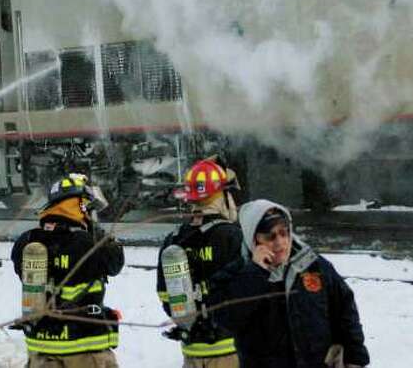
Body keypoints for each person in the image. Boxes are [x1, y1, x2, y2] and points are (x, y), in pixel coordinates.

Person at [208, 199, 369, 368]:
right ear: (253, 239)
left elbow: (345, 310)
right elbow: (226, 318)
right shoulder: (236, 273)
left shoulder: (313, 265)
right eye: (270, 236)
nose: (280, 243)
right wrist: (256, 272)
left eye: (284, 233)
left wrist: (355, 357)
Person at [12, 172, 124, 368]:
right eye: (88, 208)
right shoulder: (88, 243)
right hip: (84, 350)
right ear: (80, 206)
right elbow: (115, 263)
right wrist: (98, 231)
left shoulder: (26, 241)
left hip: (41, 351)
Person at [156, 158, 244, 368]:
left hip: (192, 352)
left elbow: (165, 294)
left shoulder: (173, 240)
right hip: (229, 351)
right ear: (222, 196)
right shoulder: (234, 236)